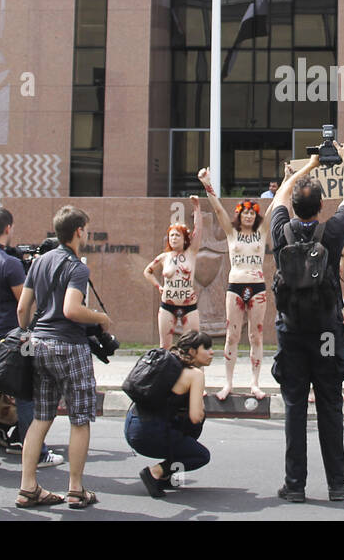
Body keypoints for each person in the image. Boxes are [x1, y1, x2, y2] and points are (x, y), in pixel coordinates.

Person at [269, 146, 344, 503]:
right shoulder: (332, 233)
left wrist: (309, 165)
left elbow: (279, 195)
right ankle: (337, 484)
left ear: (295, 207)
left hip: (291, 331)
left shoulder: (280, 231)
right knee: (329, 405)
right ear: (321, 207)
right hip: (325, 334)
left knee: (294, 408)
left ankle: (295, 485)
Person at [15, 205, 112, 509]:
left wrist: (29, 331)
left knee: (41, 417)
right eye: (86, 228)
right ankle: (75, 489)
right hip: (70, 346)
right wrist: (101, 317)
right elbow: (71, 310)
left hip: (39, 344)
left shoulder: (39, 262)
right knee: (80, 420)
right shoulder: (77, 267)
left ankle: (28, 487)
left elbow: (22, 310)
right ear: (79, 231)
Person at [0, 207, 60, 470]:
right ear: (8, 228)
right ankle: (37, 454)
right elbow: (25, 305)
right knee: (25, 395)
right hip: (11, 341)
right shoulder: (10, 263)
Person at [198, 168, 272, 401]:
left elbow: (276, 205)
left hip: (257, 286)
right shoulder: (231, 233)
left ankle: (255, 383)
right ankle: (228, 383)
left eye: (252, 213)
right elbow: (218, 208)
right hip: (236, 287)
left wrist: (289, 178)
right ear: (239, 215)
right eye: (245, 213)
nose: (249, 216)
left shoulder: (261, 232)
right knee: (232, 336)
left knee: (256, 336)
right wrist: (207, 184)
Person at [125, 330, 215, 498]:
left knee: (182, 431)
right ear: (192, 352)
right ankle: (155, 472)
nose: (212, 352)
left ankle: (167, 476)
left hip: (132, 427)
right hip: (149, 434)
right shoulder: (195, 374)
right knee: (200, 455)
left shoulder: (168, 365)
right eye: (207, 348)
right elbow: (196, 417)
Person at [143, 198, 205, 348]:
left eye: (177, 235)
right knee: (165, 345)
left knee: (192, 345)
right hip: (167, 305)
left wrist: (197, 208)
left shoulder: (191, 253)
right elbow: (147, 271)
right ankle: (167, 370)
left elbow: (198, 231)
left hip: (188, 306)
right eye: (171, 235)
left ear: (184, 239)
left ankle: (194, 371)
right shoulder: (164, 257)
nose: (174, 238)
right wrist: (159, 287)